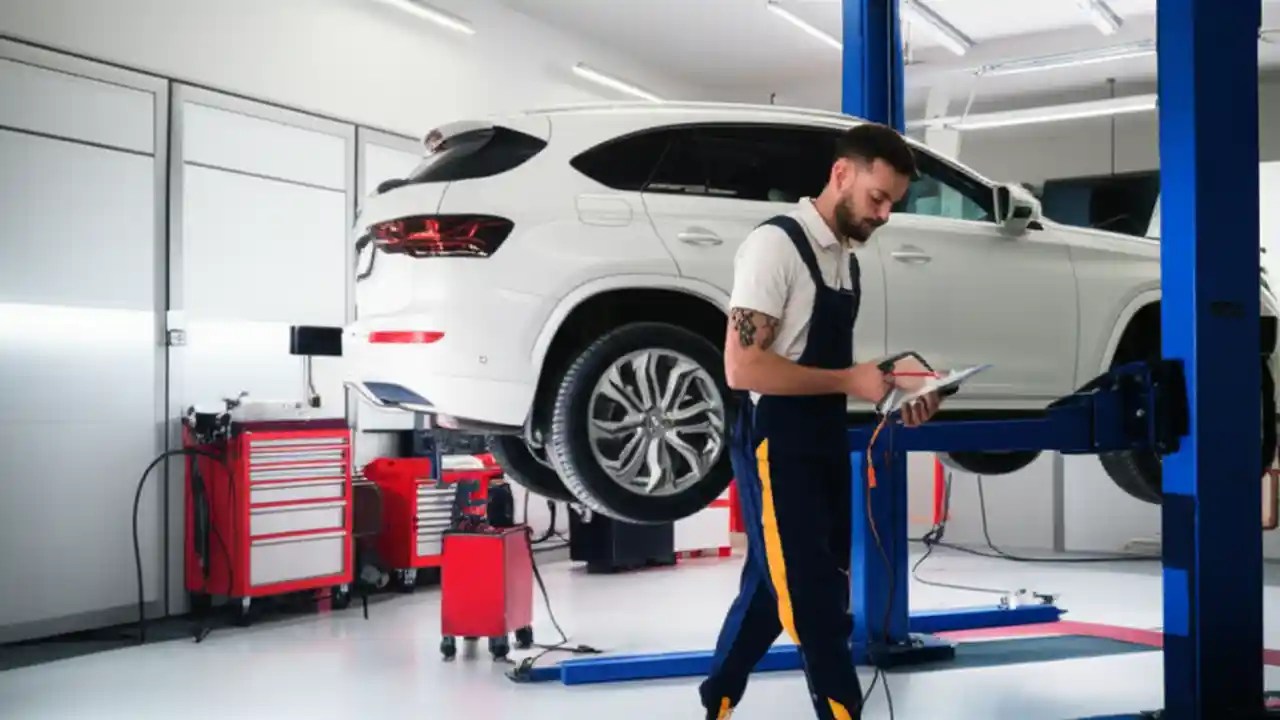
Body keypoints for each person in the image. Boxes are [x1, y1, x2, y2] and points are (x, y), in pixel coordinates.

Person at [699, 122, 941, 720]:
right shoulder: (775, 246)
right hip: (774, 446)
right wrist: (849, 380)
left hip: (824, 440)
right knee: (815, 597)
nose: (884, 215)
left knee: (770, 585)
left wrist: (899, 378)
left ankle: (716, 700)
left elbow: (827, 360)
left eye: (892, 204)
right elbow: (743, 367)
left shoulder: (845, 262)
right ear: (841, 175)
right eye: (877, 198)